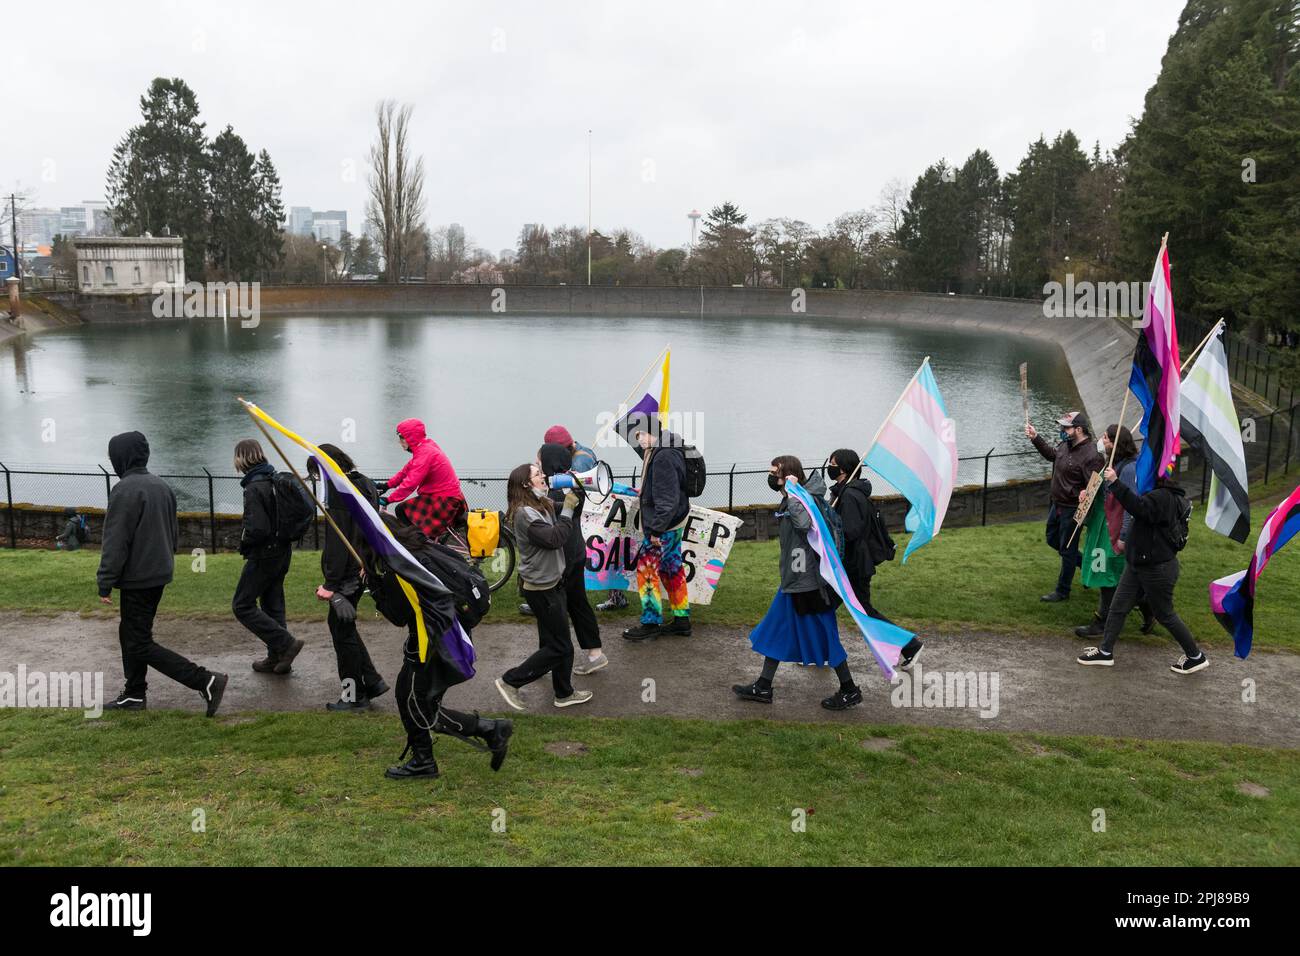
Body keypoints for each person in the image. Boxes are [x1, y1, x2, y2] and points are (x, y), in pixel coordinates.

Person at [368, 514, 513, 779]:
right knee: (422, 704)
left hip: (431, 642)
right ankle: (487, 731)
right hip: (451, 632)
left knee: (412, 701)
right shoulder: (422, 547)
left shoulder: (398, 565)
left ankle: (430, 758)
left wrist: (373, 584)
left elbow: (398, 615)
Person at [98, 431, 227, 715]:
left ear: (122, 457)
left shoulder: (124, 490)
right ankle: (134, 694)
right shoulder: (162, 486)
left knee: (138, 642)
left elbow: (116, 541)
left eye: (113, 456)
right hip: (158, 574)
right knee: (130, 634)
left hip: (138, 578)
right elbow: (173, 534)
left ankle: (205, 681)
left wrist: (105, 581)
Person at [733, 456, 862, 710]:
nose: (770, 476)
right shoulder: (795, 498)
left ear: (788, 474)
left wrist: (793, 494)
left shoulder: (803, 499)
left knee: (826, 637)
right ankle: (763, 686)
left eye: (774, 472)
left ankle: (849, 689)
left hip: (808, 585)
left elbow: (803, 525)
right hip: (794, 581)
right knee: (775, 631)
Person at [1077, 469, 1208, 674]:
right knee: (1118, 607)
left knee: (1165, 614)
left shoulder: (1162, 497)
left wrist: (1115, 483)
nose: (1138, 478)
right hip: (1138, 563)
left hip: (1156, 567)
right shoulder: (1162, 495)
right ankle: (1105, 651)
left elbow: (1138, 508)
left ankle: (1195, 656)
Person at [494, 463, 593, 711]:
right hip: (541, 590)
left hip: (552, 584)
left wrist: (578, 490)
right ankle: (510, 681)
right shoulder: (524, 514)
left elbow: (572, 511)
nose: (543, 476)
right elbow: (555, 538)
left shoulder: (542, 503)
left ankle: (563, 693)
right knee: (560, 646)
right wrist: (568, 509)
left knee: (558, 643)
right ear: (526, 484)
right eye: (538, 474)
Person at [308, 444, 389, 711]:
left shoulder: (338, 492)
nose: (316, 480)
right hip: (363, 566)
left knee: (342, 633)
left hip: (348, 575)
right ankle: (372, 681)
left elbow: (338, 542)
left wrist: (331, 584)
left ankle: (354, 696)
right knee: (345, 628)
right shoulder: (363, 483)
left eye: (316, 474)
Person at [826, 448, 923, 670]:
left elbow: (850, 532)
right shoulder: (848, 492)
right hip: (851, 564)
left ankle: (911, 645)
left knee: (864, 612)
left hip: (853, 566)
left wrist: (828, 530)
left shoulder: (850, 496)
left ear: (843, 468)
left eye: (832, 463)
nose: (829, 467)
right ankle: (822, 650)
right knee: (826, 608)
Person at [1074, 425, 1155, 638]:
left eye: (1105, 438)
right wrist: (1086, 493)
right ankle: (1146, 605)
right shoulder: (1109, 464)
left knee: (1109, 576)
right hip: (1102, 528)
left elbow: (1132, 505)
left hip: (1114, 530)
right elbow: (1099, 491)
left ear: (1115, 442)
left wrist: (1124, 537)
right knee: (1108, 575)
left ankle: (1103, 621)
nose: (1101, 441)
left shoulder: (1128, 469)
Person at [232, 439, 305, 675]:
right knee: (273, 605)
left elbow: (258, 528)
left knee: (242, 605)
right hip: (282, 551)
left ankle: (285, 643)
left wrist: (244, 540)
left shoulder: (254, 486)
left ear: (241, 457)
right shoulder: (273, 478)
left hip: (264, 554)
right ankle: (277, 658)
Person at [537, 441, 607, 674]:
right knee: (579, 605)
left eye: (540, 464)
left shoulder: (555, 491)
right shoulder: (572, 486)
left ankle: (547, 658)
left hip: (560, 559)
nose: (538, 467)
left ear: (549, 463)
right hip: (576, 553)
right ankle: (595, 653)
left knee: (551, 611)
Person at [621, 424, 691, 641]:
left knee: (647, 571)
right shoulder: (666, 449)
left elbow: (667, 500)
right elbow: (669, 489)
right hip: (676, 521)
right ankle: (681, 620)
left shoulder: (662, 457)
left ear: (653, 432)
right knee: (672, 569)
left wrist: (655, 531)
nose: (639, 440)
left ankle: (651, 622)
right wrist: (646, 491)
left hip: (664, 526)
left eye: (640, 435)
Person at [1026, 411, 1103, 602]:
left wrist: (1085, 493)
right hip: (1057, 504)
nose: (1062, 430)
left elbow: (1095, 486)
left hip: (1072, 509)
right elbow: (1052, 455)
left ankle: (1062, 591)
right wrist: (1036, 437)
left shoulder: (1092, 455)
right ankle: (1085, 564)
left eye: (1066, 427)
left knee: (1067, 549)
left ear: (1078, 429)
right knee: (1053, 540)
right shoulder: (1065, 445)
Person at [378, 418, 466, 542]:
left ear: (410, 438)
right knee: (412, 517)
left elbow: (411, 483)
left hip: (444, 500)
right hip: (447, 496)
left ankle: (420, 545)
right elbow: (406, 471)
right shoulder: (425, 447)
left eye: (401, 438)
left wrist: (389, 499)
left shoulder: (425, 454)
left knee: (401, 510)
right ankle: (423, 540)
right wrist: (386, 485)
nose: (399, 442)